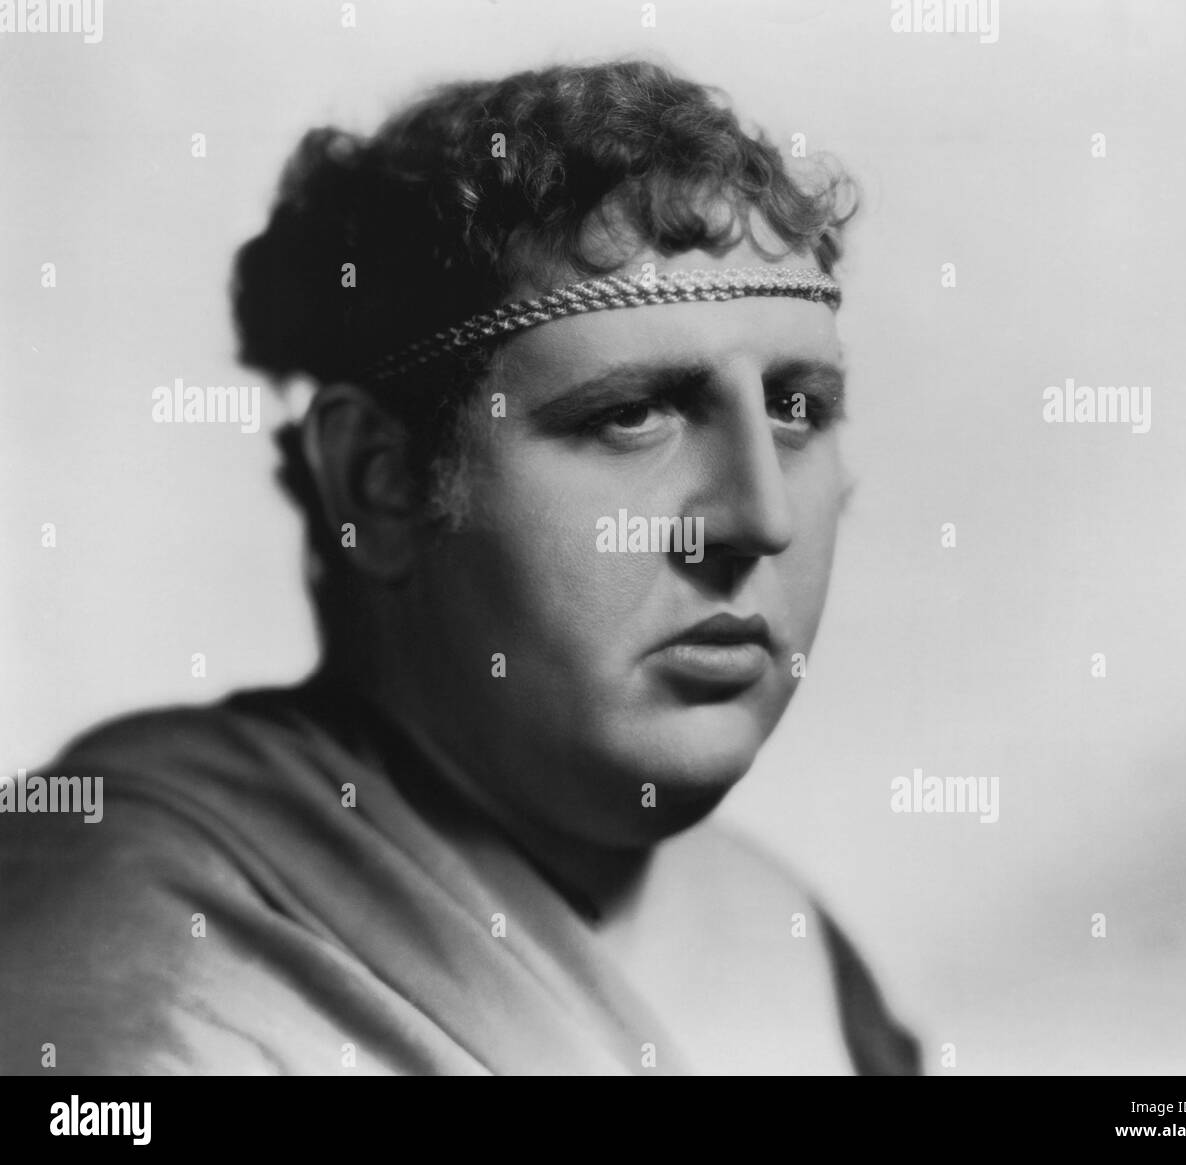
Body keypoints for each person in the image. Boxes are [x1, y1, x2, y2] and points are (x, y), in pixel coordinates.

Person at [0, 60, 919, 1075]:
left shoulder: (787, 945)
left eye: (795, 408)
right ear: (379, 481)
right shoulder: (128, 971)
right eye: (628, 414)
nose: (761, 516)